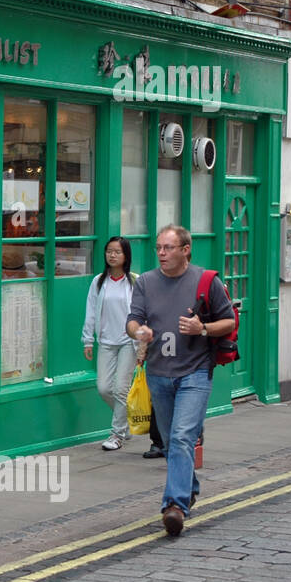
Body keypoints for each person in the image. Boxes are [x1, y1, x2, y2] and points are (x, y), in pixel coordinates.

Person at [127, 224, 236, 536]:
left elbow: (228, 320)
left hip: (196, 371)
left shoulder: (206, 281)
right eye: (159, 248)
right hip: (159, 374)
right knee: (173, 440)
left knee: (181, 437)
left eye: (169, 248)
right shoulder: (146, 282)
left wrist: (201, 328)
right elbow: (132, 320)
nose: (162, 253)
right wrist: (140, 332)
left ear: (185, 249)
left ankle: (174, 506)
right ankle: (189, 487)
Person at [83, 236, 139, 451]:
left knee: (120, 389)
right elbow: (90, 311)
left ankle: (116, 434)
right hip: (106, 341)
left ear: (126, 256)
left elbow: (142, 313)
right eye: (109, 251)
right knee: (104, 388)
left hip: (128, 342)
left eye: (118, 252)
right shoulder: (99, 281)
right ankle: (126, 422)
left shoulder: (134, 281)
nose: (112, 255)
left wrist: (143, 343)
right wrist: (87, 339)